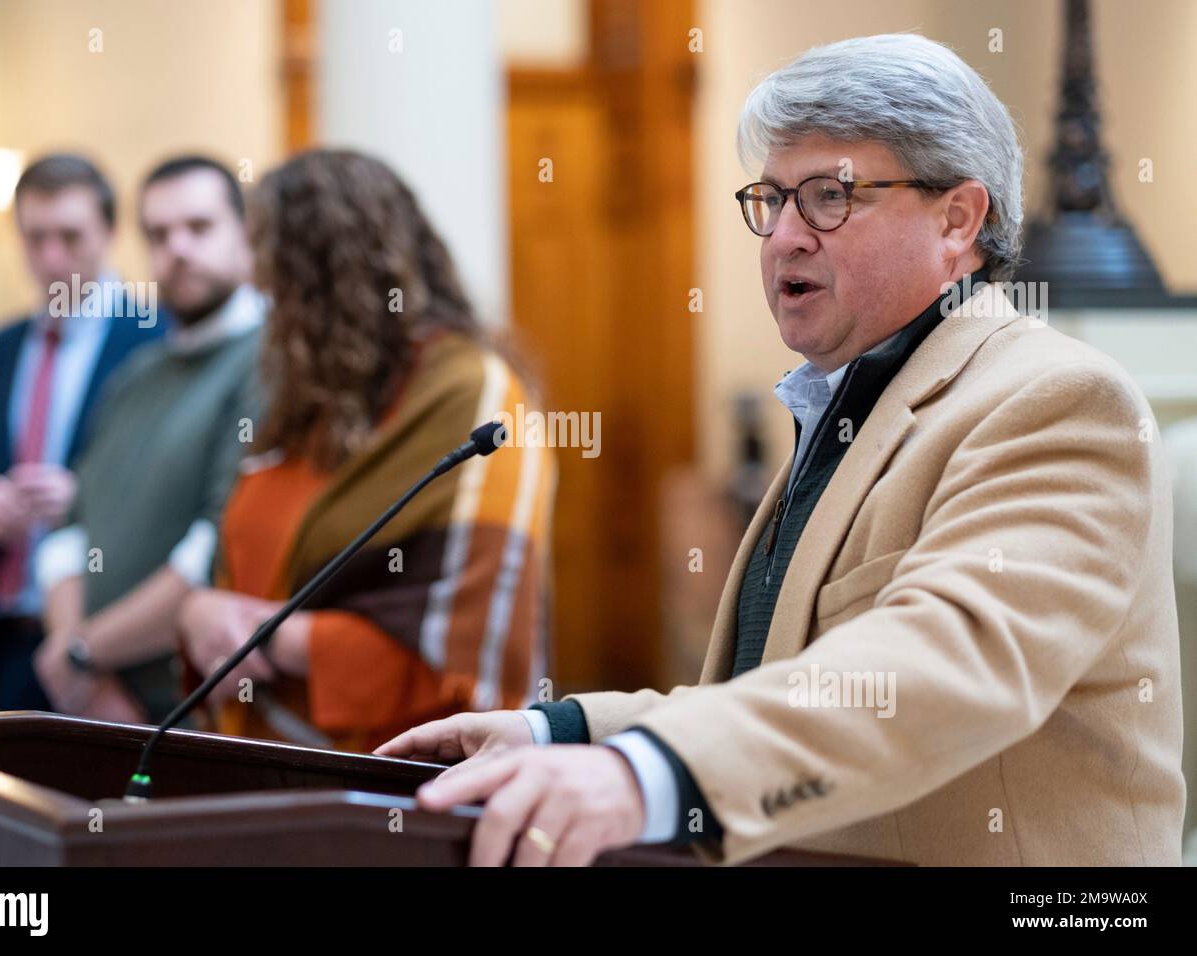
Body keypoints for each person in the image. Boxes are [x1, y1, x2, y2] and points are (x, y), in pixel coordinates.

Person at [377, 34, 1186, 867]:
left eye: (830, 197)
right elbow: (768, 692)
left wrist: (652, 775)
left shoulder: (1053, 401)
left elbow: (945, 661)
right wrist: (564, 731)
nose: (784, 238)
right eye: (772, 199)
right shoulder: (846, 400)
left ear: (958, 219)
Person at [176, 149, 556, 753]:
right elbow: (245, 557)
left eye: (277, 273)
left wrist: (265, 638)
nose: (258, 289)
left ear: (329, 278)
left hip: (397, 783)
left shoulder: (473, 394)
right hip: (257, 760)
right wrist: (198, 612)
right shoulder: (312, 395)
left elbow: (468, 655)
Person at [33, 155, 264, 723]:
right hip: (94, 703)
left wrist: (86, 653)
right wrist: (77, 663)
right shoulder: (139, 373)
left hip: (188, 711)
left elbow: (214, 550)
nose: (178, 249)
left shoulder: (269, 361)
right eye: (158, 234)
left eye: (199, 227)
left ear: (246, 235)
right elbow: (69, 527)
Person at [0, 153, 163, 712]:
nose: (51, 257)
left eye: (70, 236)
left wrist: (86, 503)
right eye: (35, 237)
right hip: (1, 637)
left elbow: (177, 499)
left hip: (105, 646)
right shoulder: (1, 346)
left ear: (110, 232)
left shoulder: (156, 339)